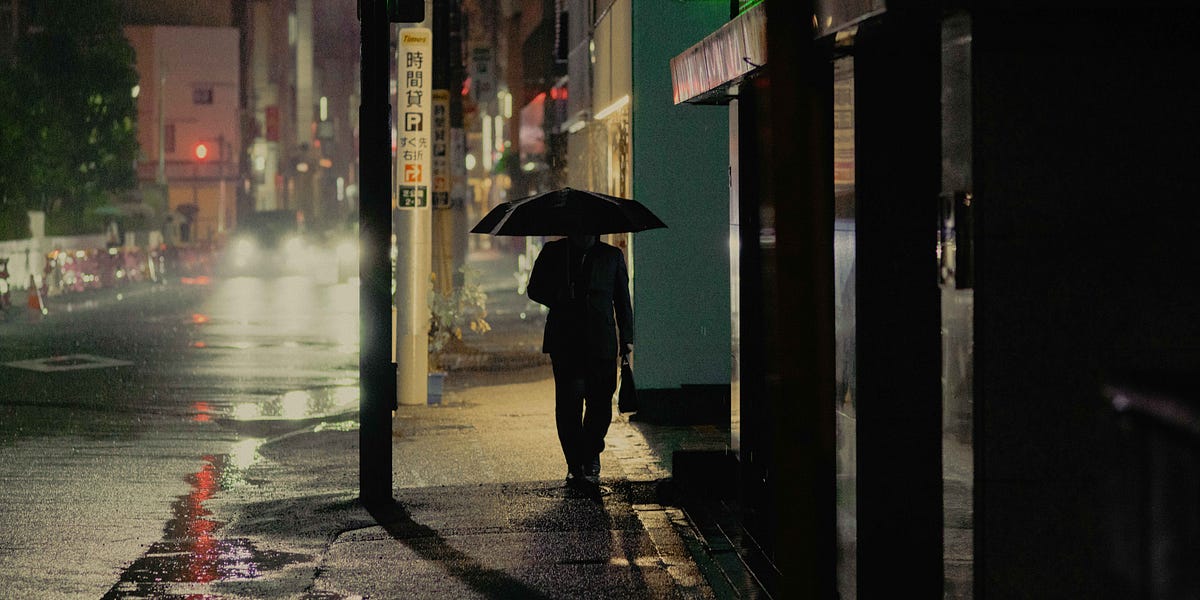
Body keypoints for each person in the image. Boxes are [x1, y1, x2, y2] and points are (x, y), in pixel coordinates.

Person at [527, 233, 634, 485]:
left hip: (601, 341)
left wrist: (627, 336)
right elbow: (534, 289)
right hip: (566, 341)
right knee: (568, 405)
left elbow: (622, 300)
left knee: (600, 403)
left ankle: (591, 451)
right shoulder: (554, 253)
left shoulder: (611, 256)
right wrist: (559, 295)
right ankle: (575, 462)